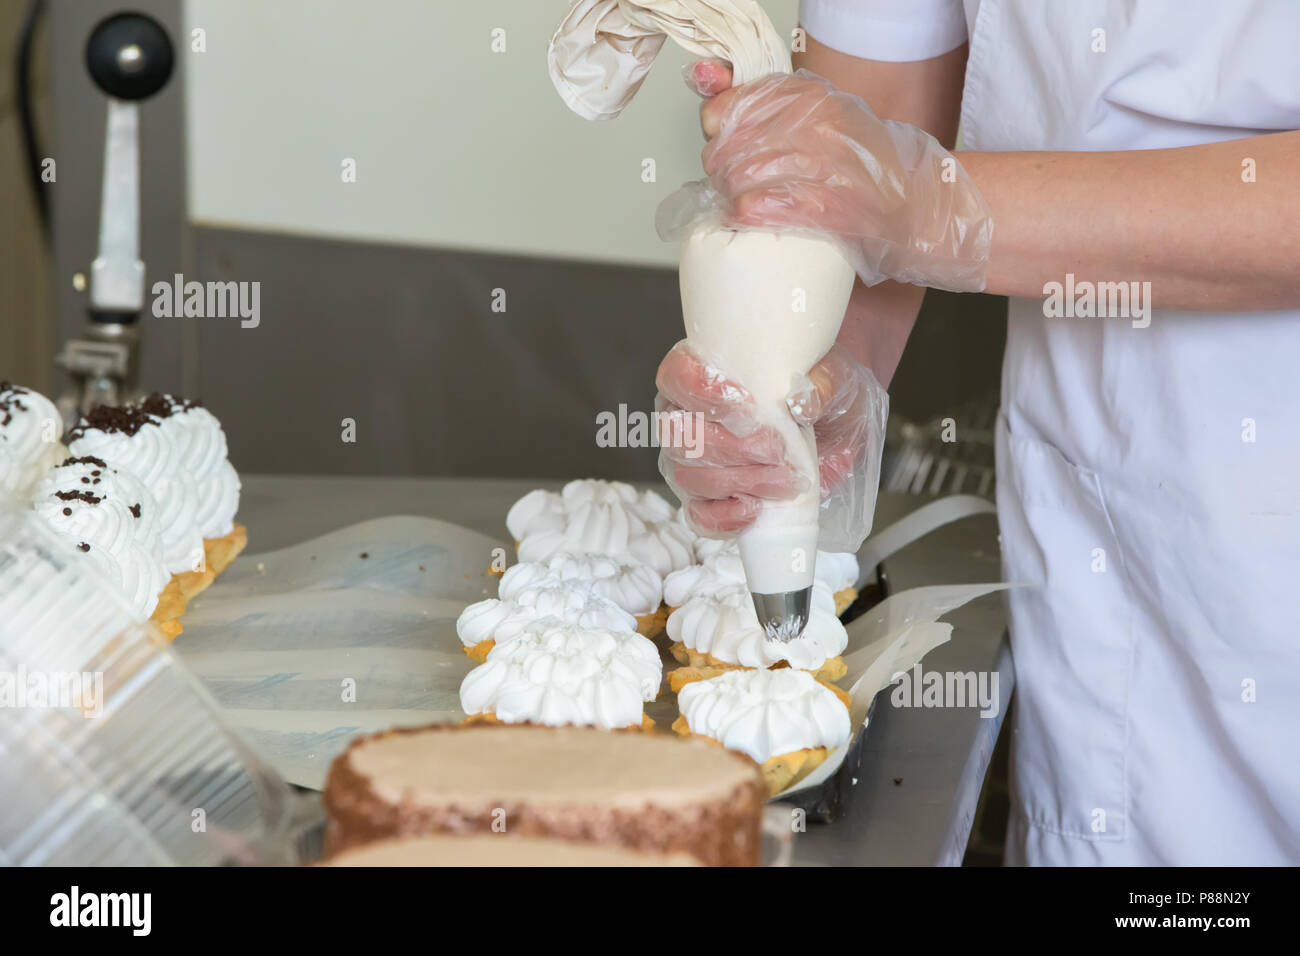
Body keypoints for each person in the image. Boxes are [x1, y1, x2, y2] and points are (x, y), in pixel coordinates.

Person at [656, 0, 1300, 866]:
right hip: (1109, 555)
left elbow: (896, 189)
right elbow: (872, 107)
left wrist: (929, 206)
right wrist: (819, 370)